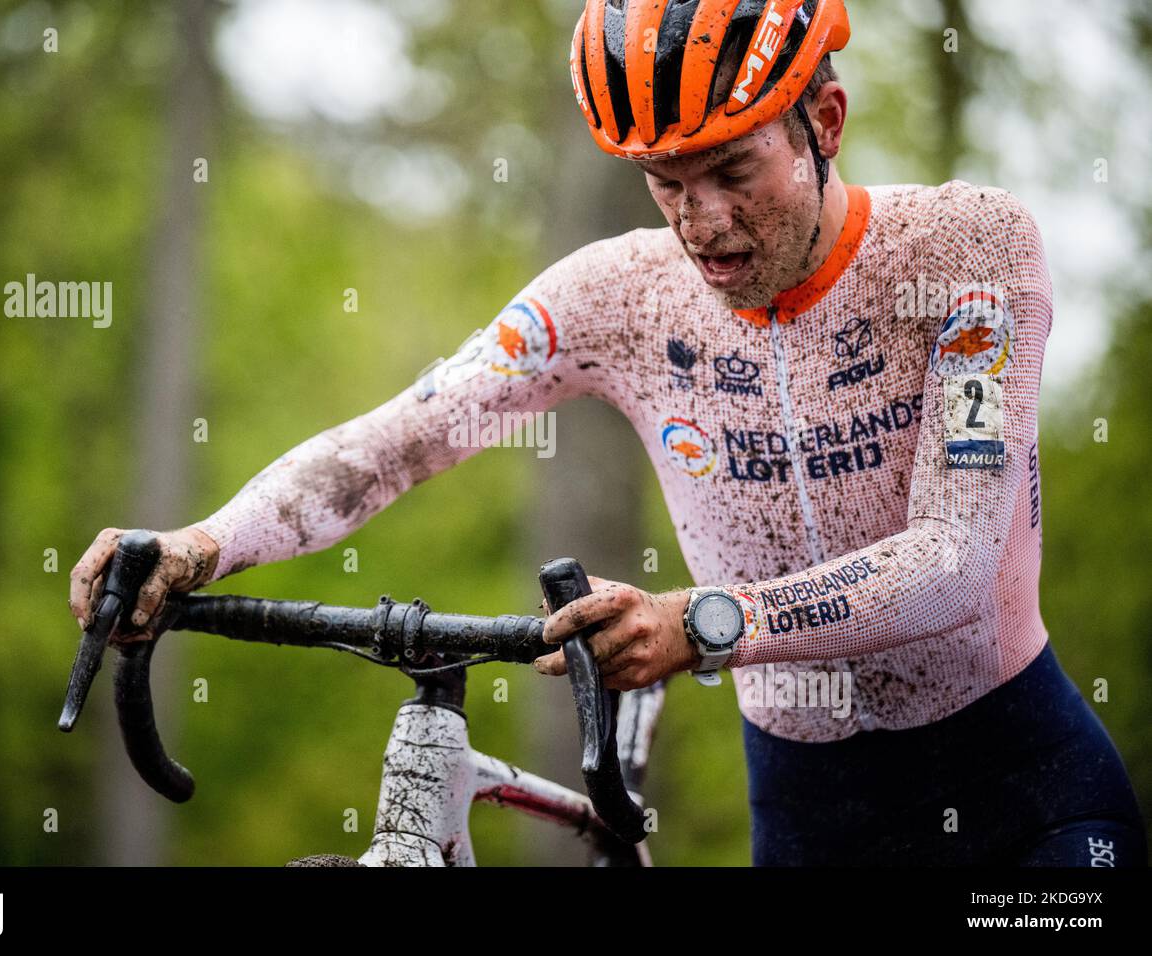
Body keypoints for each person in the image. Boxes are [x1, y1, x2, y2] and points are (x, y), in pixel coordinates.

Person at [69, 0, 1146, 866]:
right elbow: (400, 437)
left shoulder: (960, 247)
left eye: (733, 172)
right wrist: (202, 543)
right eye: (665, 183)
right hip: (810, 803)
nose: (702, 224)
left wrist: (703, 620)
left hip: (1019, 784)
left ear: (823, 122)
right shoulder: (619, 297)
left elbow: (953, 558)